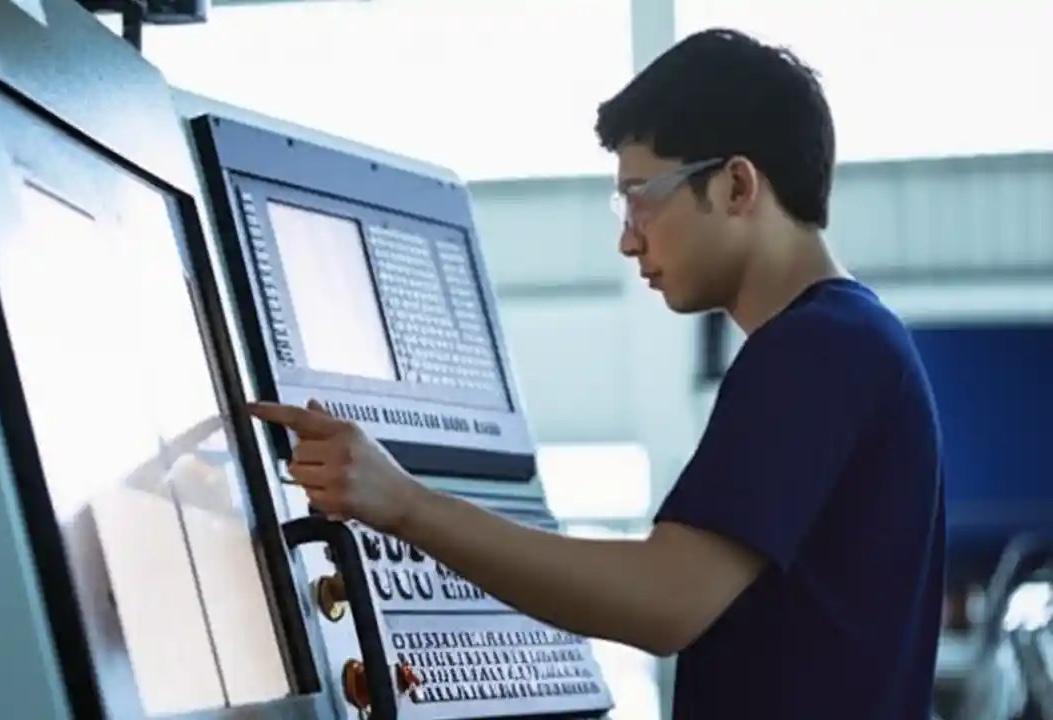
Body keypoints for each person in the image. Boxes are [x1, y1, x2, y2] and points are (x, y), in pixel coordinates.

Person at [249, 27, 945, 720]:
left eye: (641, 196)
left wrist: (404, 505)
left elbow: (665, 601)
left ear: (736, 185)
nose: (627, 236)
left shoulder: (816, 350)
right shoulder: (854, 340)